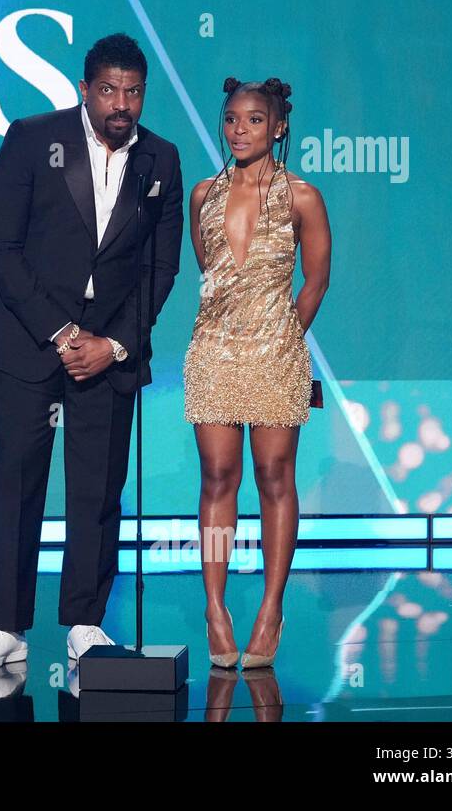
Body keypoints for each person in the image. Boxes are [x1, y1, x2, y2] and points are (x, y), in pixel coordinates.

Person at [0, 33, 184, 669]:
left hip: (108, 351)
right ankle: (6, 628)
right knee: (17, 481)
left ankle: (86, 622)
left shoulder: (161, 161)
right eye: (109, 90)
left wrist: (113, 345)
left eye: (133, 92)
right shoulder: (33, 139)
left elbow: (160, 268)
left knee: (97, 489)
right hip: (29, 342)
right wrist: (62, 333)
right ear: (84, 90)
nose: (122, 104)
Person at [184, 77, 331, 670]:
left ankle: (271, 607)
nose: (239, 131)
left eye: (252, 120)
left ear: (278, 127)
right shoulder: (202, 195)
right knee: (218, 479)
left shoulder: (303, 196)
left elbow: (316, 279)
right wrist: (238, 328)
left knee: (274, 476)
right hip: (214, 351)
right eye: (230, 120)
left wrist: (284, 333)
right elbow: (211, 273)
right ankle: (215, 607)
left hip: (277, 354)